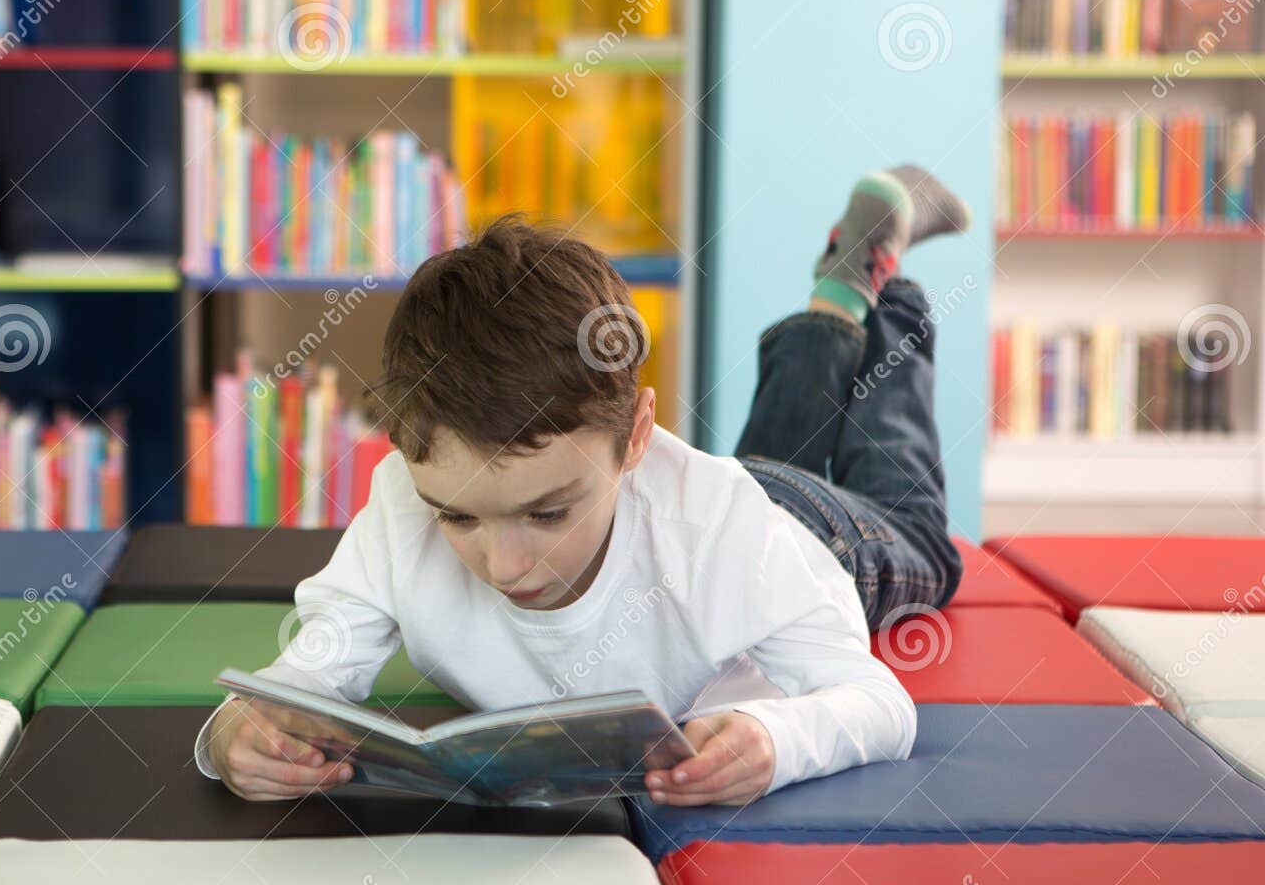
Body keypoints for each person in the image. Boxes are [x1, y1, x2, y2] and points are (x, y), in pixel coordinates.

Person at [197, 165, 969, 807]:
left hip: (816, 531)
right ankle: (841, 282)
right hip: (707, 507)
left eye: (547, 512)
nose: (503, 568)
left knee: (925, 542)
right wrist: (236, 732)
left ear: (635, 435)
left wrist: (777, 740)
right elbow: (298, 680)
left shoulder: (727, 536)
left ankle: (889, 299)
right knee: (753, 478)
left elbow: (881, 704)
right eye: (458, 517)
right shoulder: (403, 499)